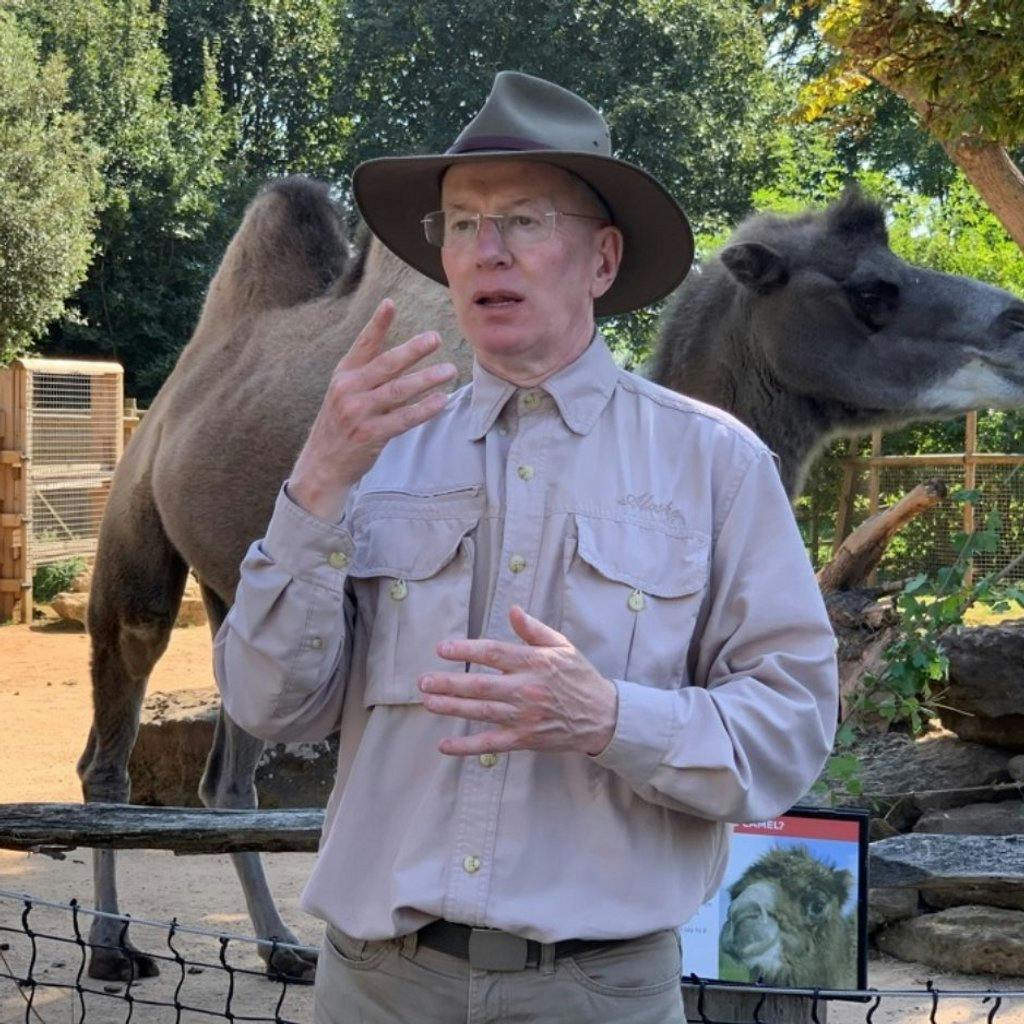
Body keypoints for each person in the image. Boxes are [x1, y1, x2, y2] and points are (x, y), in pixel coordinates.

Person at [213, 70, 839, 1024]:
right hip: (375, 989)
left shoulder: (715, 464)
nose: (484, 252)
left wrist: (609, 717)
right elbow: (269, 703)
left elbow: (789, 734)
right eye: (461, 225)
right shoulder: (366, 452)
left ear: (601, 260)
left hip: (599, 994)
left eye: (523, 221)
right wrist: (318, 483)